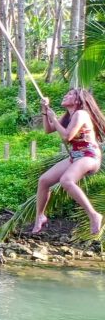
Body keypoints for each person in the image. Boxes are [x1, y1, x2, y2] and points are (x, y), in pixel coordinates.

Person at [33, 89, 105, 235]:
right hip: (75, 156)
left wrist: (53, 118)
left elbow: (67, 136)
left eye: (70, 94)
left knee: (66, 180)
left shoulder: (81, 114)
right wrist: (45, 110)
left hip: (89, 155)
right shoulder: (69, 116)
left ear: (78, 101)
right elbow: (48, 130)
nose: (65, 95)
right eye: (66, 93)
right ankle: (40, 216)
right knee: (44, 181)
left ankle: (93, 214)